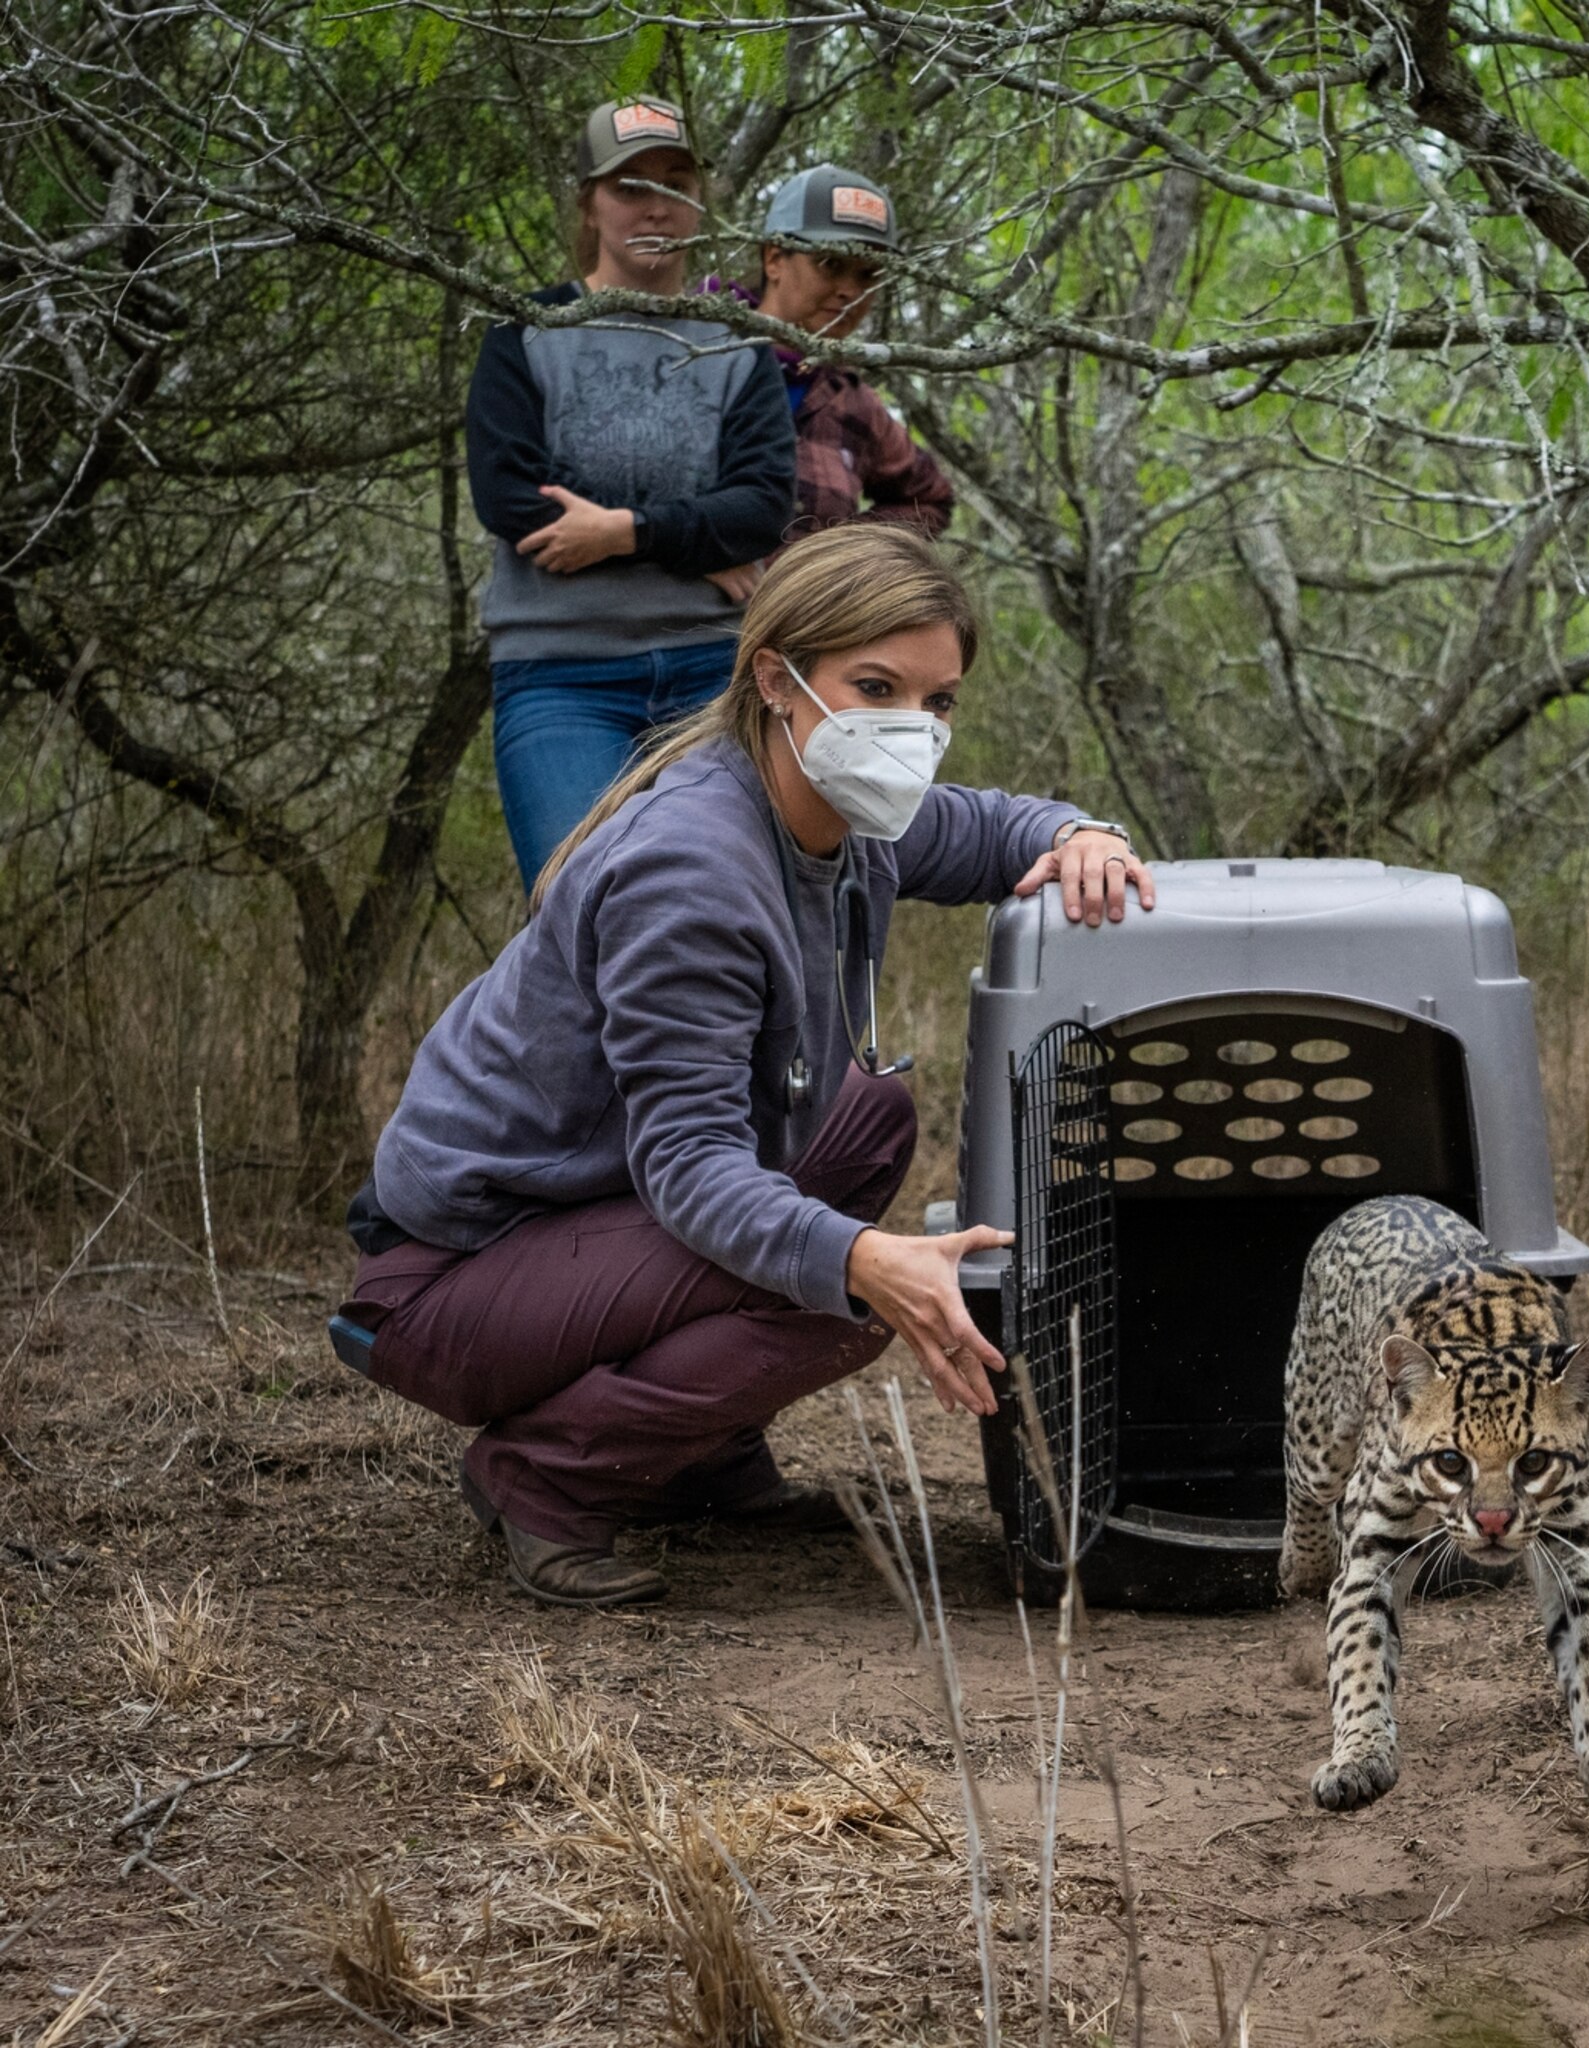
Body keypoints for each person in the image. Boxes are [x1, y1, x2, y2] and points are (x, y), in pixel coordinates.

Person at [333, 524, 1149, 1608]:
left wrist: (1086, 831)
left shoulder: (845, 809)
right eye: (873, 685)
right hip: (451, 1279)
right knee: (843, 1296)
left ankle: (696, 1453)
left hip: (585, 1224)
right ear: (777, 677)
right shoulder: (694, 871)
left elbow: (995, 828)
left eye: (937, 700)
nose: (910, 727)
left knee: (868, 1117)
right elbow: (689, 1166)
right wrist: (869, 1260)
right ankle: (546, 1476)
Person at [467, 96, 796, 893]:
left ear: (700, 202)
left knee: (737, 901)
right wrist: (697, 546)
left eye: (676, 183)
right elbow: (511, 501)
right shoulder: (524, 335)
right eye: (629, 185)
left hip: (715, 674)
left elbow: (760, 507)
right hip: (560, 678)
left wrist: (627, 533)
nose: (655, 205)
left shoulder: (736, 344)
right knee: (584, 905)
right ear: (589, 201)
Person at [727, 164, 955, 544]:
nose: (850, 291)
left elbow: (929, 499)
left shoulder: (851, 401)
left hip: (806, 604)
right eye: (830, 264)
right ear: (774, 259)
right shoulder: (700, 352)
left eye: (868, 275)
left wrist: (839, 558)